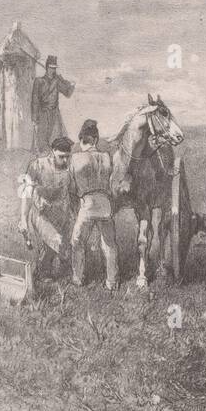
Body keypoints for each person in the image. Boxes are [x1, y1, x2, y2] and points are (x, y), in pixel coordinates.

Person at [68, 120, 120, 288]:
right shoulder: (106, 157)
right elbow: (112, 183)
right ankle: (112, 281)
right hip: (106, 205)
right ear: (96, 140)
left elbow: (71, 187)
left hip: (88, 205)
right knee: (109, 244)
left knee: (77, 242)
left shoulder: (75, 158)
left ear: (81, 140)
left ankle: (78, 279)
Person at [18, 135, 74, 278]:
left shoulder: (70, 168)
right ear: (53, 151)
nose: (65, 160)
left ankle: (47, 273)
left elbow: (73, 193)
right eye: (61, 157)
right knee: (57, 242)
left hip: (62, 212)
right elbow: (27, 193)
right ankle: (44, 273)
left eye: (67, 157)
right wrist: (23, 219)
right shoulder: (37, 165)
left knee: (63, 248)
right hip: (41, 213)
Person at [30, 55, 75, 153]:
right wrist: (34, 118)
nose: (52, 70)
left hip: (55, 114)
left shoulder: (57, 81)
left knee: (57, 141)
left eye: (54, 68)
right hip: (43, 114)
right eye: (51, 68)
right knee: (42, 141)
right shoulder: (39, 81)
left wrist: (71, 85)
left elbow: (67, 93)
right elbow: (35, 101)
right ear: (47, 67)